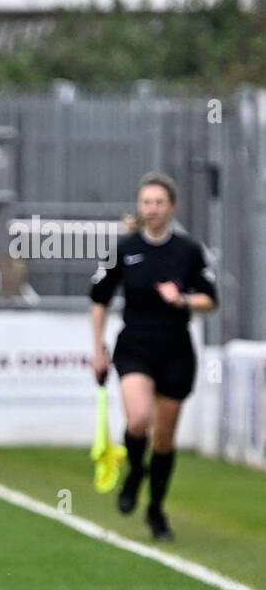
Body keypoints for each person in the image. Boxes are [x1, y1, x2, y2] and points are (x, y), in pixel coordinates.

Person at [89, 172, 218, 541]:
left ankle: (156, 510)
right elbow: (98, 300)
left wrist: (182, 299)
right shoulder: (124, 248)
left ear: (171, 207)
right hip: (135, 347)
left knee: (163, 440)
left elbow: (210, 299)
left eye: (159, 202)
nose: (152, 209)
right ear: (139, 206)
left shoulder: (188, 250)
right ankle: (133, 473)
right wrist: (97, 349)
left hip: (175, 350)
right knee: (138, 419)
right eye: (146, 202)